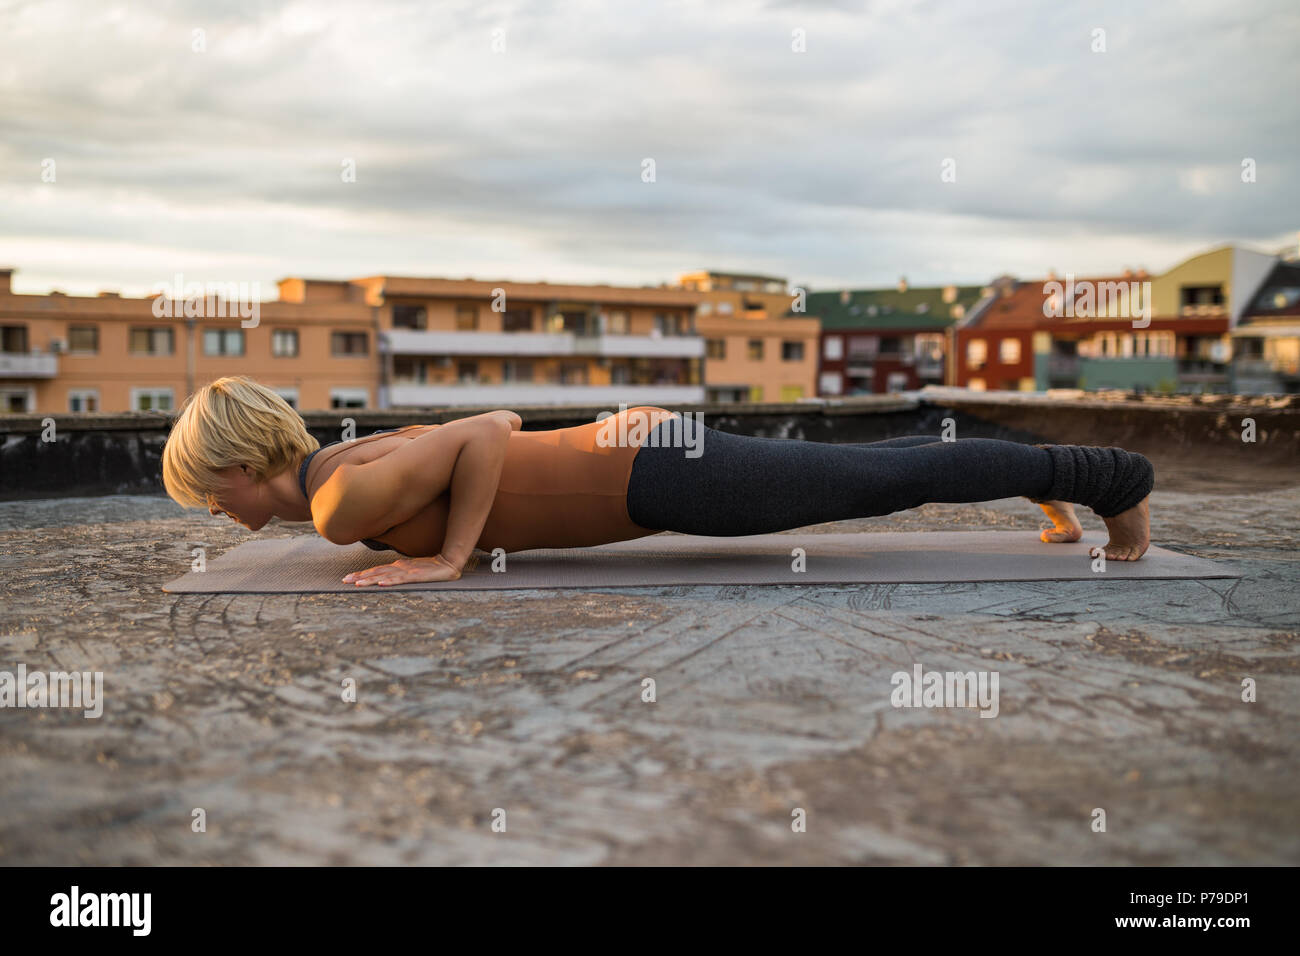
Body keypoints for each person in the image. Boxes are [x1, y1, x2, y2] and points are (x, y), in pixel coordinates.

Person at [161, 376, 1153, 587]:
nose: (218, 512)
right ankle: (1045, 483)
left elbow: (488, 428)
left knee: (874, 482)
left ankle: (1110, 477)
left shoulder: (338, 500)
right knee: (875, 472)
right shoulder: (345, 467)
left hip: (659, 476)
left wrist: (452, 559)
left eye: (212, 494)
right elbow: (496, 435)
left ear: (244, 467)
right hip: (642, 460)